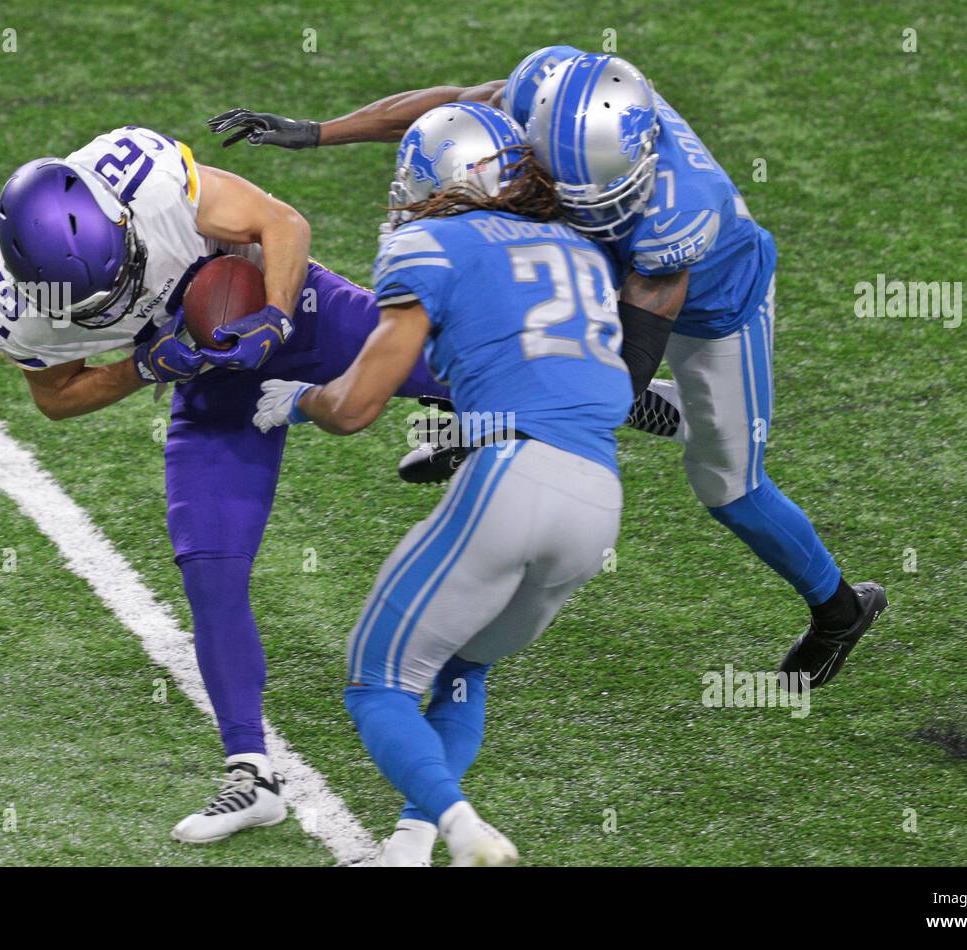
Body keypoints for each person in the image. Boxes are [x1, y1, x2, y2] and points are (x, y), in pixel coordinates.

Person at [210, 48, 887, 689]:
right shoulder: (545, 92)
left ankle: (838, 609)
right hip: (588, 262)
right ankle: (634, 413)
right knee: (482, 295)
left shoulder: (683, 210)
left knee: (727, 485)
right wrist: (316, 131)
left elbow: (608, 381)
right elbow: (448, 117)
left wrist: (495, 426)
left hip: (712, 307)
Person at [0, 124, 440, 845]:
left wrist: (274, 319)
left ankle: (624, 391)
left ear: (120, 217)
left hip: (284, 315)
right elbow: (55, 397)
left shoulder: (146, 179)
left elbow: (280, 222)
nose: (120, 292)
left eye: (119, 269)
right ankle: (251, 774)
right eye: (96, 295)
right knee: (209, 569)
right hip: (202, 379)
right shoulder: (15, 311)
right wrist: (142, 368)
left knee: (454, 367)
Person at [251, 103, 633, 866]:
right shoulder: (582, 249)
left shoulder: (435, 240)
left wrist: (300, 397)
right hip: (599, 497)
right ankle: (409, 845)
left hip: (514, 474)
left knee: (377, 682)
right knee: (464, 666)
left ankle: (462, 830)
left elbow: (358, 406)